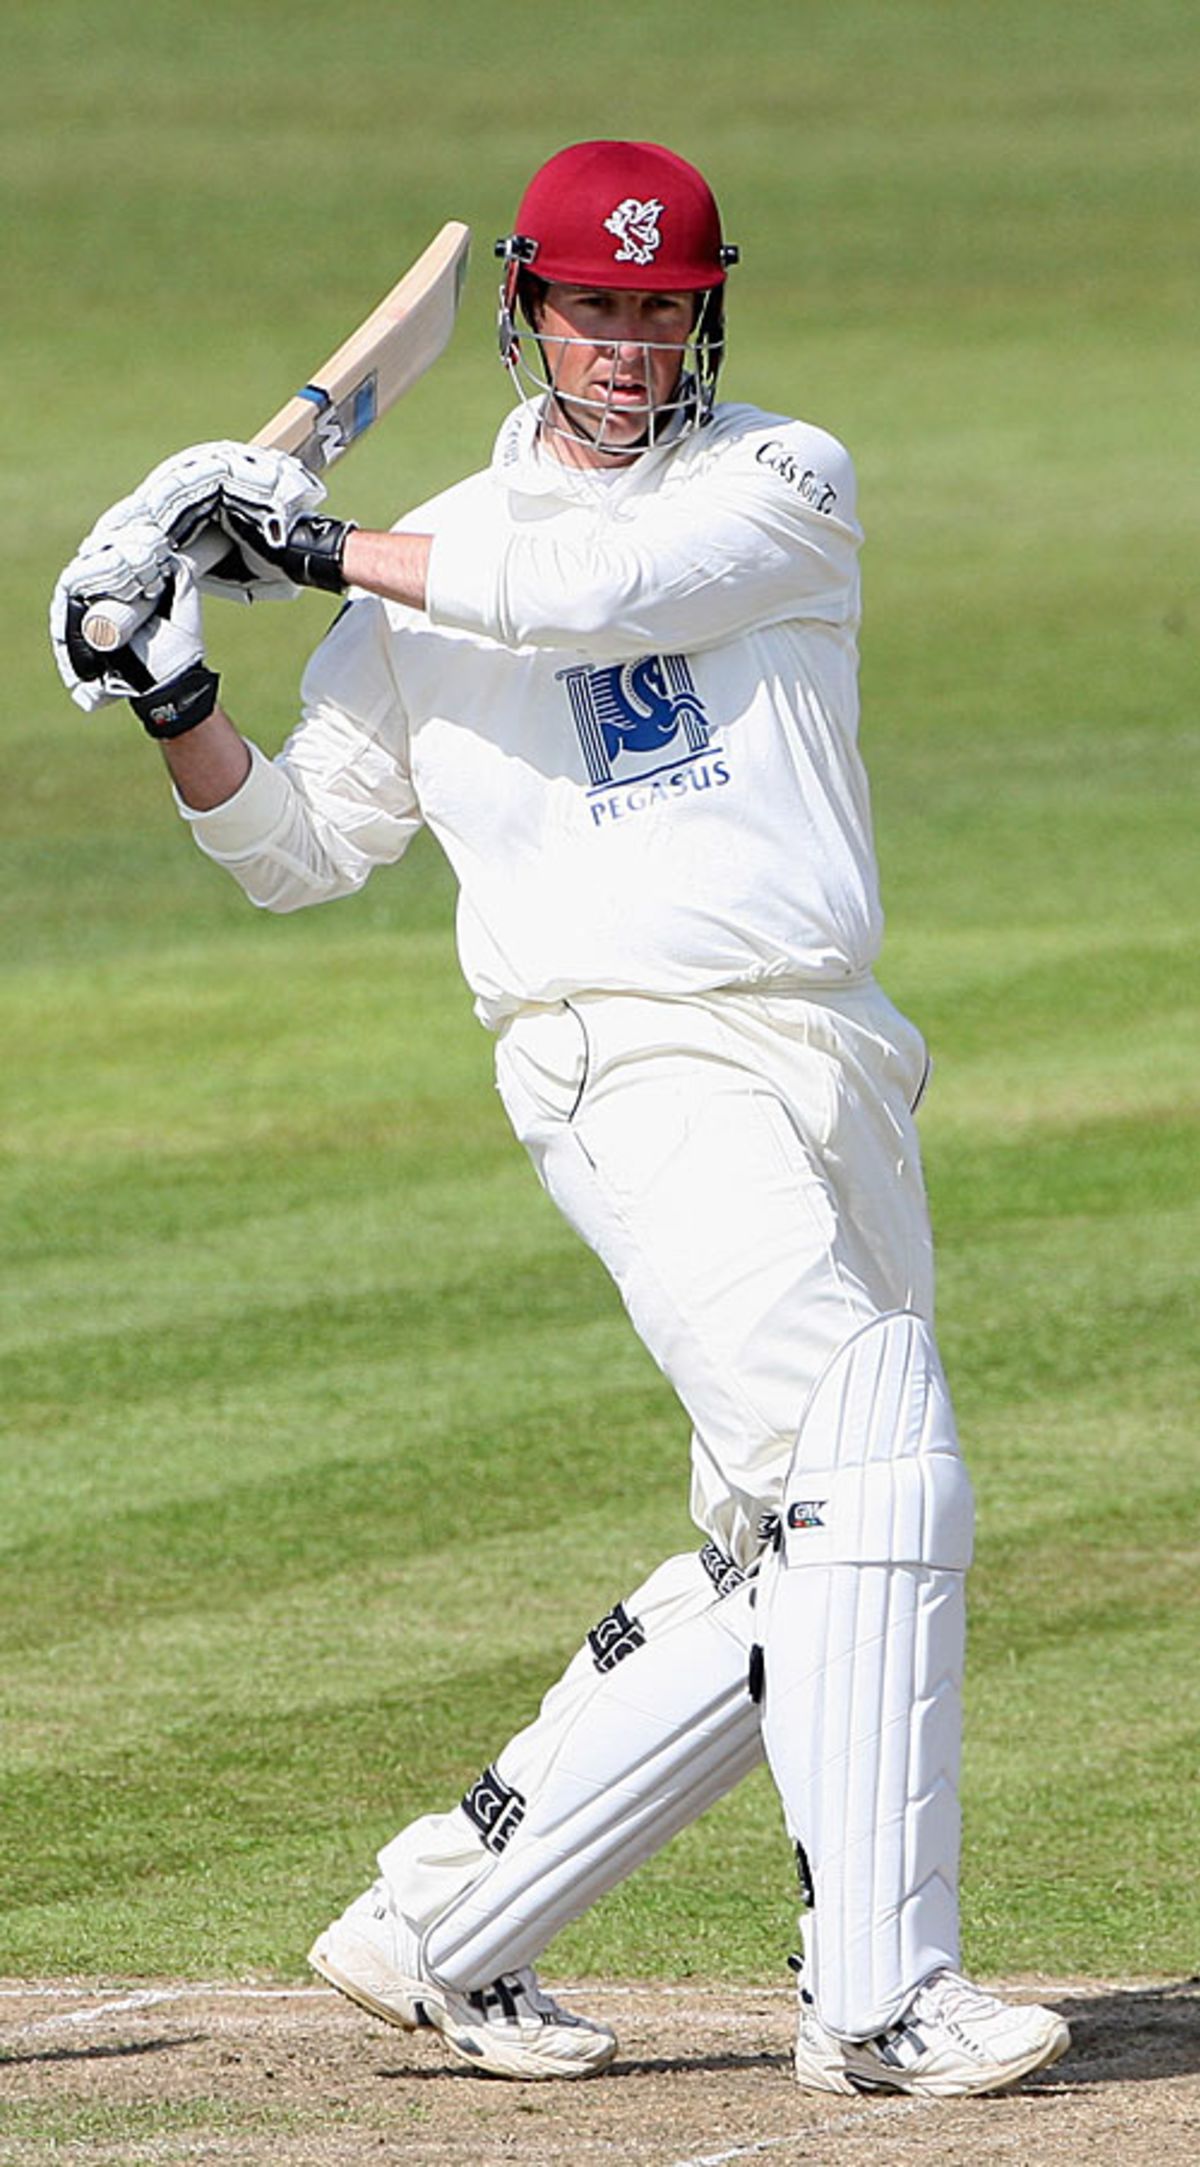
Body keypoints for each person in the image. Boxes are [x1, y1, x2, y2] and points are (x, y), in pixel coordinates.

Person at [51, 140, 1070, 2097]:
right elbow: (298, 850)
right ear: (527, 313)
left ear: (709, 314)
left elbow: (599, 593)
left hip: (833, 1046)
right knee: (872, 1470)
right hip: (629, 1057)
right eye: (594, 306)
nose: (629, 342)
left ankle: (439, 1922)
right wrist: (178, 688)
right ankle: (876, 2003)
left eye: (663, 305)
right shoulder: (431, 558)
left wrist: (311, 543)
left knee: (787, 1541)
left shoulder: (783, 479)